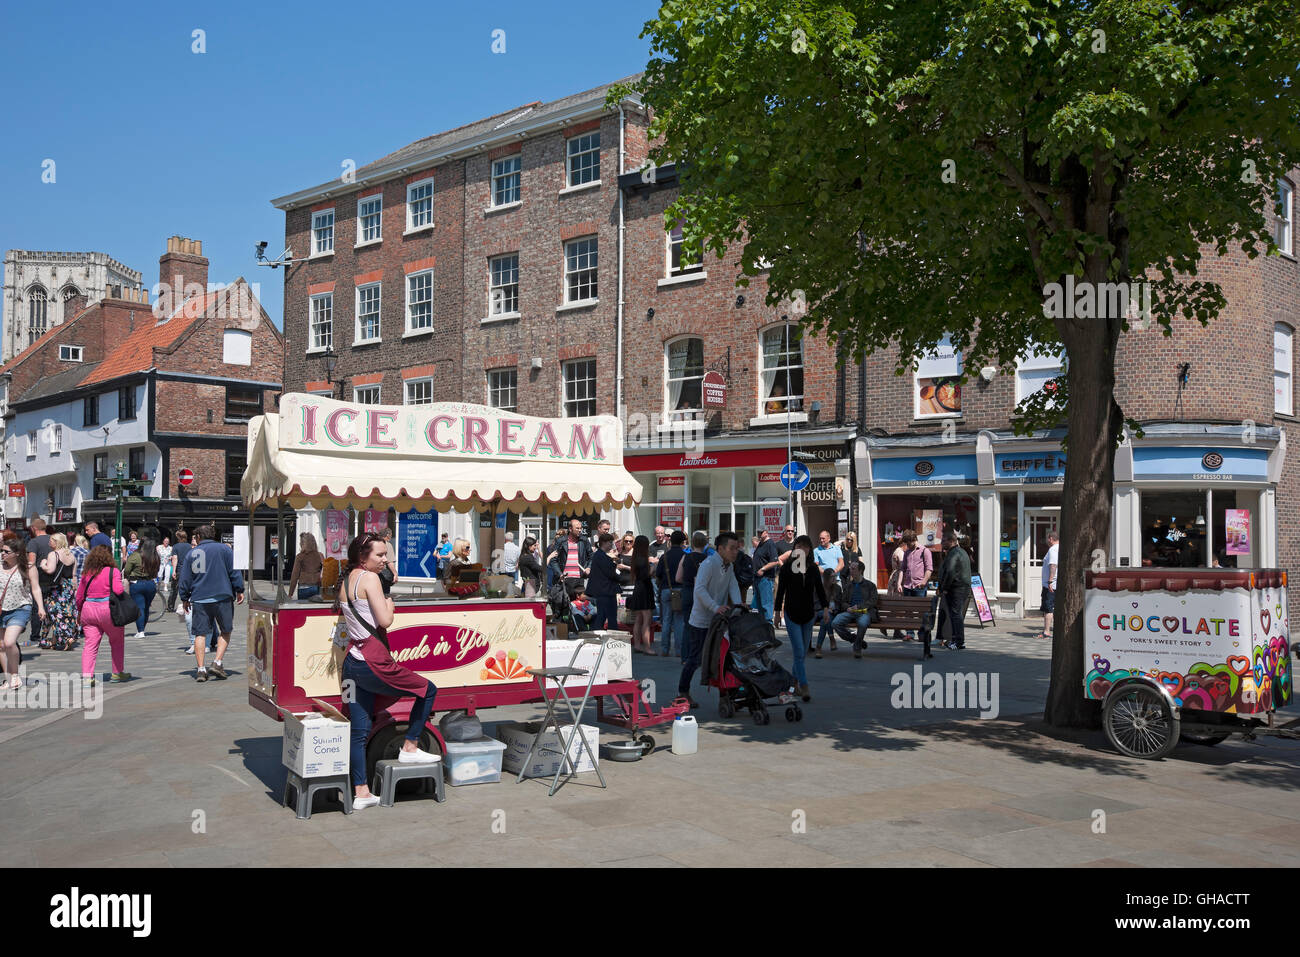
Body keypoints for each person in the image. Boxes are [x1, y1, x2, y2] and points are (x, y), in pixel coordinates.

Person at [339, 530, 439, 810]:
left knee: (359, 732)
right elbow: (384, 621)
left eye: (386, 554)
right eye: (380, 555)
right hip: (374, 661)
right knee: (427, 689)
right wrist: (391, 606)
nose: (385, 560)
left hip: (352, 664)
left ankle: (361, 793)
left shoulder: (346, 580)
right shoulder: (369, 578)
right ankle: (409, 746)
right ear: (363, 557)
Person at [679, 532, 742, 708]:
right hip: (700, 620)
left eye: (737, 548)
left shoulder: (728, 566)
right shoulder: (708, 564)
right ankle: (682, 691)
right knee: (695, 659)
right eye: (732, 548)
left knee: (722, 659)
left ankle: (725, 694)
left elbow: (733, 586)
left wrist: (739, 606)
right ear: (720, 549)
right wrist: (715, 607)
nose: (735, 551)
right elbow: (699, 590)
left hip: (718, 621)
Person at [177, 524, 245, 682]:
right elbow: (234, 571)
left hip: (200, 597)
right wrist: (239, 589)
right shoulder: (225, 550)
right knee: (225, 630)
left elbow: (185, 577)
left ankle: (201, 669)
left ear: (199, 537)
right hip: (223, 596)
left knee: (200, 633)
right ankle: (217, 661)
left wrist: (184, 597)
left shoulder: (192, 553)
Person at [774, 535, 828, 702]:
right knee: (798, 651)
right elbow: (780, 590)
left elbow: (820, 589)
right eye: (799, 546)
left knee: (802, 653)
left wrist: (825, 608)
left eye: (805, 546)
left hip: (808, 615)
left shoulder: (812, 568)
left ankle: (793, 683)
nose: (802, 549)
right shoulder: (787, 568)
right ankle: (804, 686)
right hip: (792, 614)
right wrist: (777, 612)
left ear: (809, 549)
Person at [74, 545, 126, 685]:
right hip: (108, 610)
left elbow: (79, 596)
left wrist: (79, 612)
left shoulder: (87, 573)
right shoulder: (113, 571)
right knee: (116, 641)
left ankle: (87, 676)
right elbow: (118, 590)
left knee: (90, 645)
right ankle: (117, 672)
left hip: (88, 609)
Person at [1, 537, 44, 688]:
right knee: (1, 646)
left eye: (6, 551)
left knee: (9, 642)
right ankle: (8, 678)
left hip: (20, 607)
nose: (2, 554)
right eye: (2, 550)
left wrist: (40, 607)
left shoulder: (28, 567)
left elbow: (35, 588)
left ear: (17, 553)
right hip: (1, 609)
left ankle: (15, 675)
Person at [39, 533, 79, 651]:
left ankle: (64, 638)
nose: (48, 543)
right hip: (68, 587)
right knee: (64, 613)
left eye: (51, 541)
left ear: (56, 542)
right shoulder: (71, 555)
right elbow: (74, 576)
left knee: (54, 614)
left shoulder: (53, 554)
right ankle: (55, 640)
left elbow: (50, 570)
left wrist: (43, 564)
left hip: (56, 588)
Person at [832, 562, 879, 659]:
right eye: (850, 568)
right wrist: (847, 607)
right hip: (850, 612)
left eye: (853, 569)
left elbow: (873, 601)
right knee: (835, 623)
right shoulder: (848, 585)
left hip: (864, 612)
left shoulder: (870, 585)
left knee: (862, 623)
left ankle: (857, 647)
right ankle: (856, 640)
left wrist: (859, 607)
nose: (851, 570)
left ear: (860, 571)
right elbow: (843, 601)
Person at [674, 531, 709, 661]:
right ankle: (699, 655)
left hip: (687, 593)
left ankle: (685, 656)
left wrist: (688, 582)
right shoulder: (708, 560)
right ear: (705, 543)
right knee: (701, 626)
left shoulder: (685, 557)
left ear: (692, 543)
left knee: (687, 625)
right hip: (702, 595)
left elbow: (678, 578)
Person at [937, 530, 972, 651]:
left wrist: (944, 588)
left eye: (943, 540)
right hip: (962, 587)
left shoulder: (954, 553)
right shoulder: (961, 552)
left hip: (956, 587)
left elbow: (950, 571)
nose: (941, 543)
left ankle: (958, 642)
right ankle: (955, 640)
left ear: (951, 541)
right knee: (956, 614)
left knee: (955, 614)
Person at [655, 530, 687, 656]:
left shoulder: (664, 557)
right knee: (679, 621)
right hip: (680, 590)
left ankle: (664, 649)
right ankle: (679, 650)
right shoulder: (685, 555)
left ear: (670, 541)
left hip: (666, 589)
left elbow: (658, 574)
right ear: (682, 542)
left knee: (666, 620)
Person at [122, 537, 159, 640]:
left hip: (137, 583)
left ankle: (140, 631)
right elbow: (157, 570)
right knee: (146, 608)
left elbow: (127, 570)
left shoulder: (135, 555)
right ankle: (142, 628)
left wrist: (128, 576)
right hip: (151, 583)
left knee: (139, 607)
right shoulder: (155, 557)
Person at [899, 529, 933, 641]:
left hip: (919, 586)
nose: (907, 545)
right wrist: (900, 583)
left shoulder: (925, 551)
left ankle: (922, 633)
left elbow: (929, 569)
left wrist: (923, 582)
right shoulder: (907, 552)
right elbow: (902, 569)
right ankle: (909, 633)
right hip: (908, 585)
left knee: (921, 612)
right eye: (906, 543)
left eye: (909, 543)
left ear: (914, 540)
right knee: (908, 611)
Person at [585, 533, 621, 631]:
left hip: (605, 591)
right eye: (610, 543)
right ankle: (607, 636)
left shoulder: (601, 555)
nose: (611, 545)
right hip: (605, 591)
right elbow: (609, 573)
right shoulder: (600, 555)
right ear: (604, 543)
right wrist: (622, 578)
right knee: (607, 616)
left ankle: (601, 635)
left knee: (605, 615)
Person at [626, 535, 656, 653]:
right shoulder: (643, 559)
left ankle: (637, 645)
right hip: (644, 589)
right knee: (646, 620)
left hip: (638, 588)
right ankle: (647, 647)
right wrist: (653, 568)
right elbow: (646, 575)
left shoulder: (636, 557)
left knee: (638, 619)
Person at [25, 518, 51, 649]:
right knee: (52, 606)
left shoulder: (33, 542)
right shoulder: (53, 539)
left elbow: (31, 562)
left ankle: (35, 635)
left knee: (37, 607)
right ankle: (54, 633)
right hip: (54, 578)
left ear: (34, 528)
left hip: (39, 578)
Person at [547, 519, 593, 586]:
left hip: (579, 579)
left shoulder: (584, 540)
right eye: (577, 528)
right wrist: (560, 574)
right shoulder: (561, 541)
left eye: (581, 528)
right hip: (564, 580)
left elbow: (591, 556)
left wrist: (588, 567)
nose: (580, 530)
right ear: (570, 529)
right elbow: (554, 560)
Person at [750, 529, 781, 623]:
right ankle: (762, 629)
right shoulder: (761, 544)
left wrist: (763, 569)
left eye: (761, 532)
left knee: (766, 605)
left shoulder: (770, 544)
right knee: (759, 606)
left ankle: (768, 627)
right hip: (758, 579)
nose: (759, 534)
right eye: (758, 532)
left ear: (766, 532)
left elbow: (775, 561)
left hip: (765, 579)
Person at [813, 567, 843, 658]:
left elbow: (839, 604)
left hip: (831, 613)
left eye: (835, 576)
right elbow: (815, 603)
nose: (834, 578)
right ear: (826, 578)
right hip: (818, 612)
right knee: (827, 616)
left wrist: (833, 610)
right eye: (832, 577)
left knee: (825, 621)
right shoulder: (819, 588)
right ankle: (831, 639)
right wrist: (825, 609)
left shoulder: (837, 588)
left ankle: (819, 648)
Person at [287, 532, 324, 600]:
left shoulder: (300, 556)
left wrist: (290, 594)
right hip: (316, 587)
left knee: (303, 608)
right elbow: (324, 572)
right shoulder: (320, 555)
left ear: (303, 544)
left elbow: (294, 576)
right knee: (315, 609)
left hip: (303, 588)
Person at [1038, 531, 1059, 640]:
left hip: (1051, 585)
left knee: (1048, 608)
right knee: (1052, 607)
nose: (1047, 541)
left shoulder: (1053, 549)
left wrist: (1050, 581)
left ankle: (1046, 632)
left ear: (1050, 538)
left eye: (1047, 539)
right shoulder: (1060, 548)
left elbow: (1053, 565)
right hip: (1055, 584)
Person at [169, 529, 191, 614]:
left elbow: (175, 558)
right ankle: (187, 604)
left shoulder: (176, 546)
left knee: (174, 589)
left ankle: (170, 606)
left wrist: (173, 570)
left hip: (179, 569)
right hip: (188, 570)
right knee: (187, 588)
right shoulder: (189, 546)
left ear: (179, 537)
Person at [156, 535, 174, 610]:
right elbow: (156, 554)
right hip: (160, 562)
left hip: (168, 562)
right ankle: (158, 586)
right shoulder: (159, 547)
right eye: (165, 541)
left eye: (167, 541)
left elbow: (173, 555)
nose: (166, 542)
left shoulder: (171, 548)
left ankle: (165, 586)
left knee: (167, 574)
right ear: (163, 541)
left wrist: (170, 558)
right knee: (159, 575)